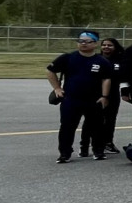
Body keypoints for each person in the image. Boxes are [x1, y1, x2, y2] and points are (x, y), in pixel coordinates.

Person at [47, 30, 114, 163]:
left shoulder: (102, 61)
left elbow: (106, 79)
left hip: (94, 100)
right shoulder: (67, 58)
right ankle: (65, 153)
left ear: (95, 44)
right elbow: (50, 71)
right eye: (81, 41)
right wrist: (57, 88)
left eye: (87, 42)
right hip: (71, 99)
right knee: (67, 127)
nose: (83, 44)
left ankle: (98, 151)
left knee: (97, 127)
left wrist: (104, 96)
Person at [82, 36, 124, 157]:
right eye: (104, 45)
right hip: (96, 94)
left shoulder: (120, 60)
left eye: (109, 45)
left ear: (115, 47)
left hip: (113, 94)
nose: (106, 47)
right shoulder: (96, 59)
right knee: (91, 120)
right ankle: (84, 146)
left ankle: (107, 143)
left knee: (110, 119)